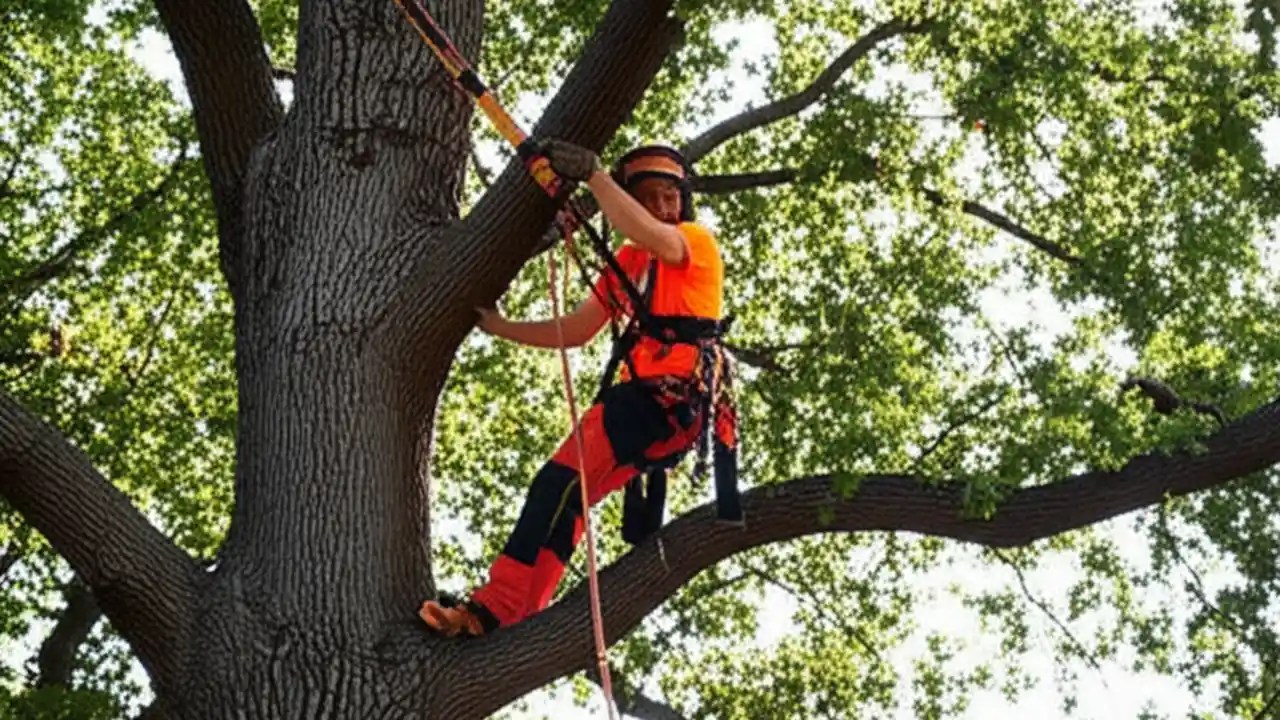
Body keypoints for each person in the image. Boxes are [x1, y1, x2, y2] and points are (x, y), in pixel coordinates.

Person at [419, 139, 733, 637]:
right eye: (648, 196)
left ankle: (493, 608)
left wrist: (594, 175)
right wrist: (501, 326)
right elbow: (577, 329)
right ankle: (514, 616)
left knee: (555, 483)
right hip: (652, 414)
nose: (662, 206)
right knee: (565, 501)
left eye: (670, 196)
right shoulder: (629, 263)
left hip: (662, 402)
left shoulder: (694, 243)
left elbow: (648, 233)